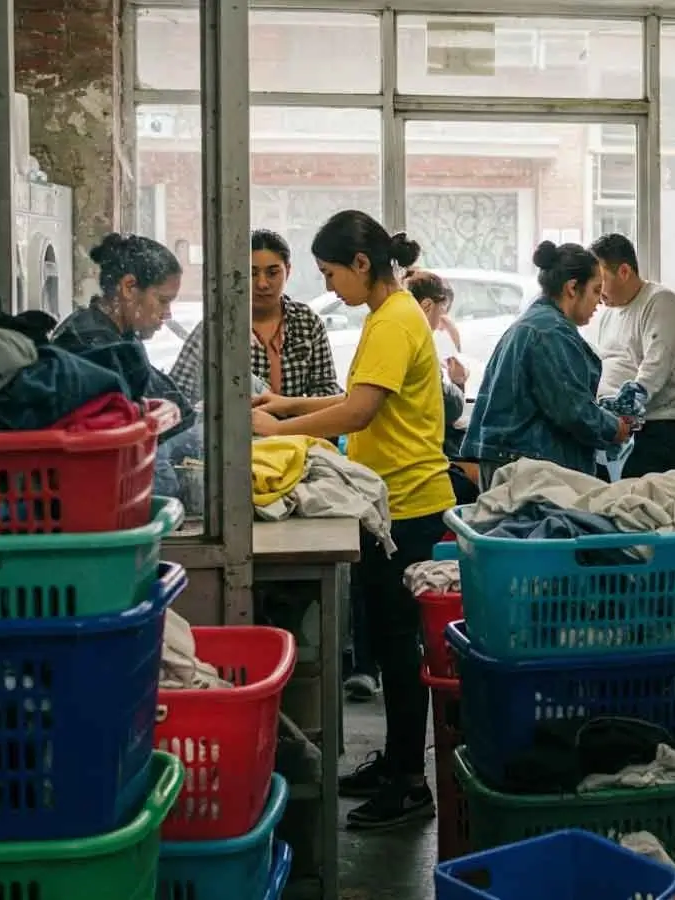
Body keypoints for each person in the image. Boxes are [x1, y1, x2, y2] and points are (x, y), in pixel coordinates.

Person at [249, 210, 456, 831]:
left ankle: (409, 781)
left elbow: (359, 414)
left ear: (362, 265)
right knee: (390, 643)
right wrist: (284, 402)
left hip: (409, 503)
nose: (331, 286)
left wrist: (279, 428)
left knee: (397, 649)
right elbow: (356, 397)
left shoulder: (394, 322)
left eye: (332, 273)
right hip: (391, 501)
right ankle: (395, 765)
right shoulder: (385, 316)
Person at [460, 241, 633, 488]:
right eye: (596, 291)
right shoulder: (550, 332)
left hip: (512, 462)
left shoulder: (535, 323)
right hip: (528, 469)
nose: (600, 302)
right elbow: (573, 410)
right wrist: (614, 427)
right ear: (572, 288)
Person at [53, 233, 200, 496]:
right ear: (129, 288)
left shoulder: (117, 334)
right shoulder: (95, 347)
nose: (167, 315)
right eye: (163, 300)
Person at [168, 229, 340, 402]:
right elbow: (178, 395)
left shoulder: (307, 323)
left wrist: (290, 413)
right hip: (238, 429)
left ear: (287, 271)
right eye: (252, 273)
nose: (262, 284)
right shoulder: (216, 328)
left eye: (272, 273)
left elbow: (327, 390)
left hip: (297, 427)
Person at [588, 233, 675, 478]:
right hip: (613, 429)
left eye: (600, 279)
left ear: (624, 271)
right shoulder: (607, 315)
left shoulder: (660, 301)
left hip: (653, 430)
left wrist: (628, 401)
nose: (596, 289)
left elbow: (656, 363)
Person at [405, 268, 479, 505]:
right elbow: (449, 406)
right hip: (422, 454)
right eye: (442, 312)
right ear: (427, 306)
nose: (442, 322)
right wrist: (458, 383)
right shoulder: (418, 341)